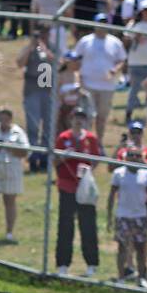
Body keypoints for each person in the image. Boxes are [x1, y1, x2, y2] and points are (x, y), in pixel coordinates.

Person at [53, 107, 101, 278]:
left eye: (82, 118)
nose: (78, 121)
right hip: (67, 185)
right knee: (65, 226)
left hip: (84, 187)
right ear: (70, 119)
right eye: (76, 118)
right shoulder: (63, 138)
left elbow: (96, 159)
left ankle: (91, 263)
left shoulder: (90, 138)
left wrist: (87, 170)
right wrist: (64, 157)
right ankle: (63, 263)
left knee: (88, 225)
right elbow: (55, 161)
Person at [106, 145, 147, 287]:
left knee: (141, 249)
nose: (134, 158)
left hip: (140, 216)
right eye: (131, 155)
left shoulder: (146, 174)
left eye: (137, 155)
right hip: (123, 216)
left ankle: (141, 278)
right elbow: (111, 195)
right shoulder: (119, 173)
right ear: (125, 157)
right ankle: (121, 278)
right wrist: (110, 217)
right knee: (122, 248)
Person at [74, 15, 126, 141]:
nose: (102, 26)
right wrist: (78, 80)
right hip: (88, 84)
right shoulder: (85, 41)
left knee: (102, 117)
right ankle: (85, 141)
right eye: (100, 23)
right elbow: (75, 60)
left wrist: (115, 69)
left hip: (107, 86)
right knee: (87, 116)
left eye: (105, 23)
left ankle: (99, 142)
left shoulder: (115, 42)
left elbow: (122, 60)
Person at [0, 108, 28, 244]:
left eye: (6, 118)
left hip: (11, 168)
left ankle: (9, 232)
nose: (3, 121)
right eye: (1, 118)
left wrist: (10, 147)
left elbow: (25, 152)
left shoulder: (18, 132)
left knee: (9, 201)